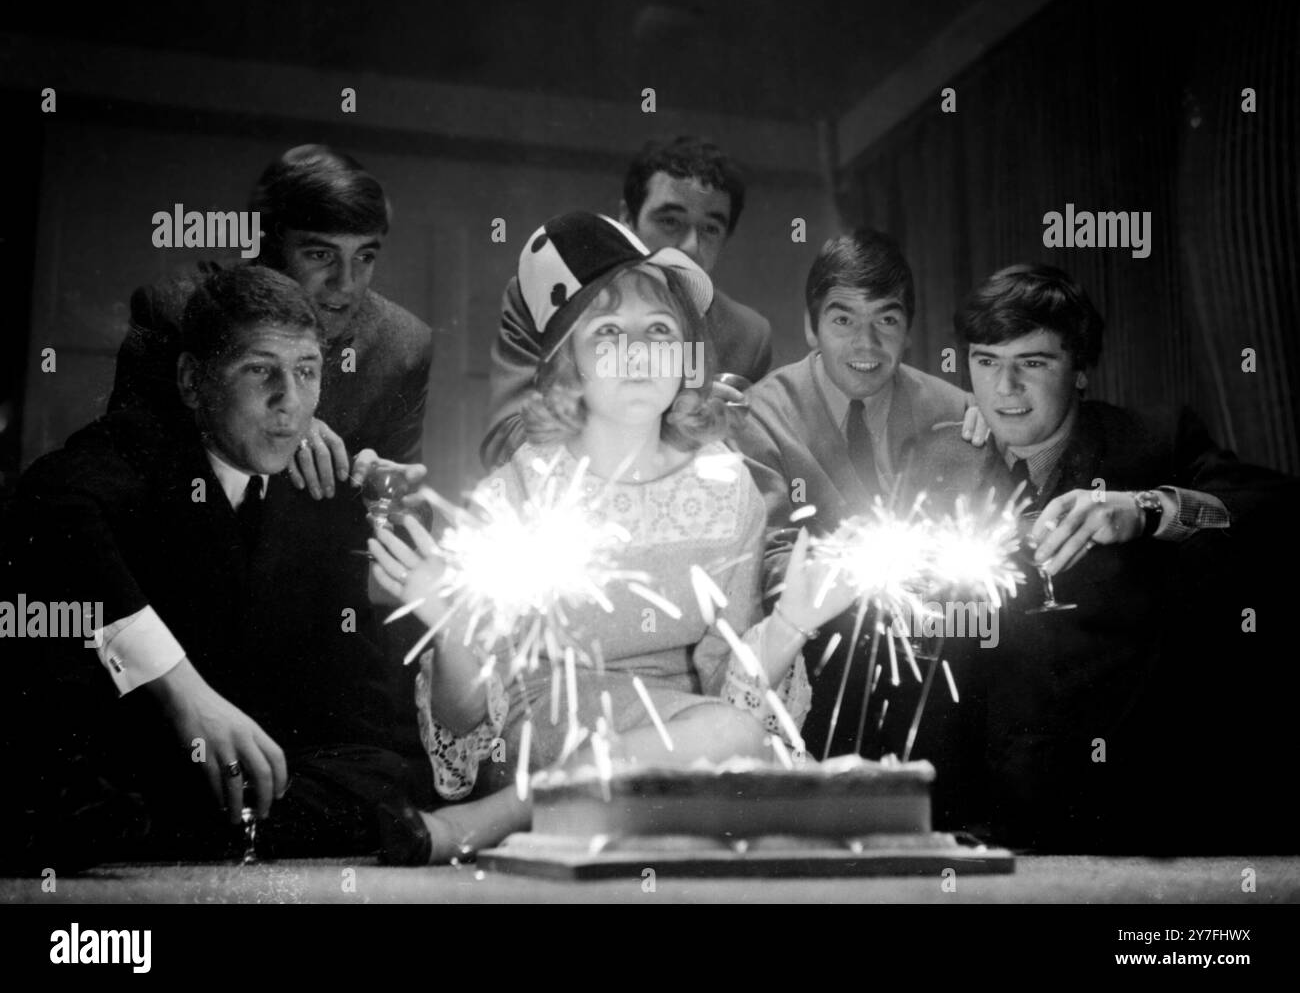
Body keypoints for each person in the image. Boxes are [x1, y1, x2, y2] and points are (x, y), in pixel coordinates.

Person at [368, 212, 850, 862]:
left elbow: (724, 683)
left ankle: (506, 822)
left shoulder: (727, 485)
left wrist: (791, 622)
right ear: (568, 363)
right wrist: (453, 628)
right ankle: (500, 814)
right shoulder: (520, 490)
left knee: (739, 744)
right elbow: (465, 728)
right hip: (544, 725)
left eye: (658, 330)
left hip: (684, 731)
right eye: (607, 332)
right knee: (736, 763)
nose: (638, 352)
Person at [3, 266, 432, 869]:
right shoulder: (142, 447)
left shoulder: (321, 489)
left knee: (381, 781)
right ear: (190, 380)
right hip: (138, 750)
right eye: (260, 370)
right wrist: (185, 693)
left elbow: (356, 723)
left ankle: (166, 826)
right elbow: (50, 503)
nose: (290, 401)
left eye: (306, 372)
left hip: (205, 785)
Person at [903, 263, 1298, 851]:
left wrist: (1148, 509)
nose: (1003, 388)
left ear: (1080, 369)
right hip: (978, 821)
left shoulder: (1153, 441)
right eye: (986, 361)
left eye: (1032, 363)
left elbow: (1277, 510)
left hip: (1133, 814)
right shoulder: (937, 458)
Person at [729, 228, 971, 764]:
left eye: (886, 320)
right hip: (817, 656)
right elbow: (767, 565)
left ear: (908, 330)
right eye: (843, 320)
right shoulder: (758, 415)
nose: (867, 344)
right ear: (810, 328)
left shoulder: (956, 410)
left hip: (935, 650)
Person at [109, 144, 433, 498]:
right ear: (267, 249)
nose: (346, 283)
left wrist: (382, 488)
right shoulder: (173, 313)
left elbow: (399, 513)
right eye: (321, 255)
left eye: (364, 256)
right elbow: (121, 466)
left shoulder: (403, 345)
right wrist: (286, 425)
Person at [479, 135, 772, 470]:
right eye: (670, 221)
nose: (690, 245)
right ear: (626, 218)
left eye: (710, 228)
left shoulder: (748, 334)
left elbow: (754, 472)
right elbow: (506, 442)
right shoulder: (542, 291)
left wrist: (724, 430)